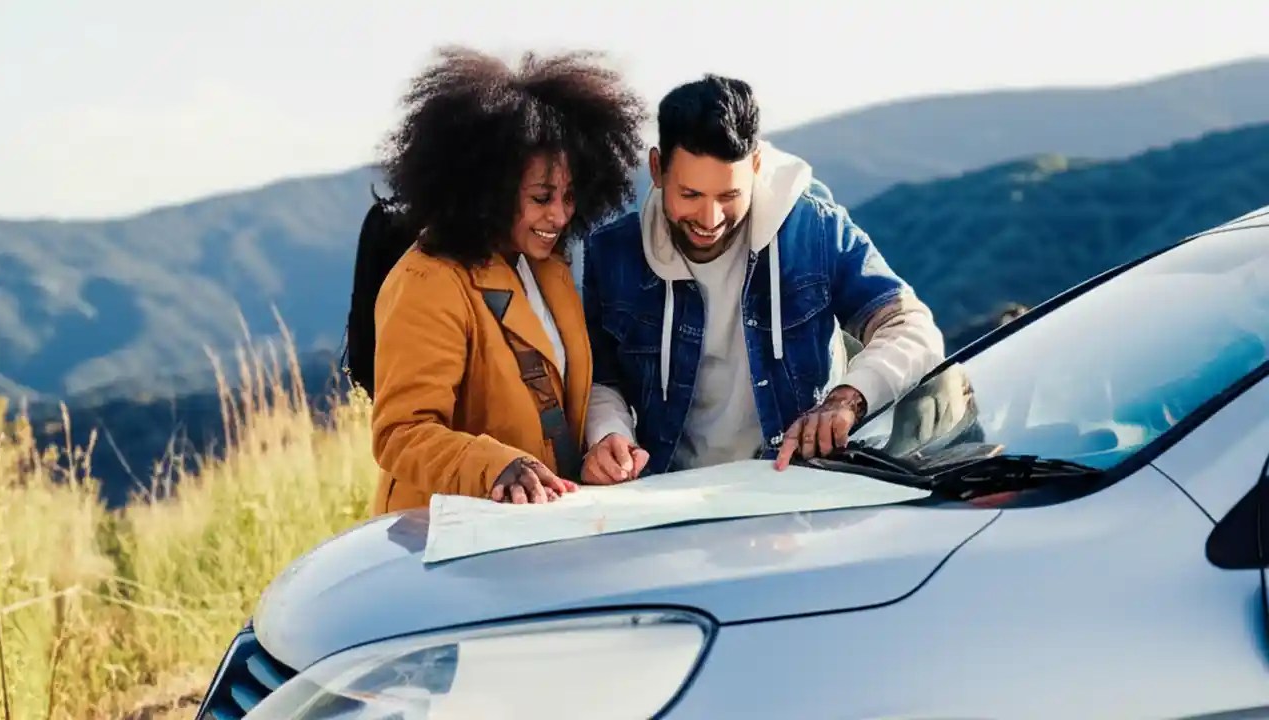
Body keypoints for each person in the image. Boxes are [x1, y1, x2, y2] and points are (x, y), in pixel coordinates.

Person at [580, 74, 945, 483]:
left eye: (728, 196)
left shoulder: (815, 231)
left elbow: (912, 327)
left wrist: (848, 399)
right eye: (690, 196)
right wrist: (608, 434)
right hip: (668, 495)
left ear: (754, 166)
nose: (710, 219)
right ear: (657, 169)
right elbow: (600, 377)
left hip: (793, 486)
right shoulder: (613, 253)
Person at [369, 47, 647, 514]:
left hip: (534, 532)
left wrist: (601, 442)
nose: (559, 215)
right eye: (541, 197)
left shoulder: (546, 267)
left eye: (570, 196)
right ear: (488, 187)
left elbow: (566, 396)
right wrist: (495, 465)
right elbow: (400, 433)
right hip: (442, 541)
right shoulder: (426, 281)